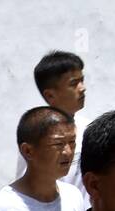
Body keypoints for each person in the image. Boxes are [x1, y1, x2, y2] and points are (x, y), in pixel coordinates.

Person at [16, 51, 88, 200]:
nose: (82, 88)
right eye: (74, 83)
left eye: (82, 80)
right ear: (50, 95)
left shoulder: (89, 128)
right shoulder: (36, 135)